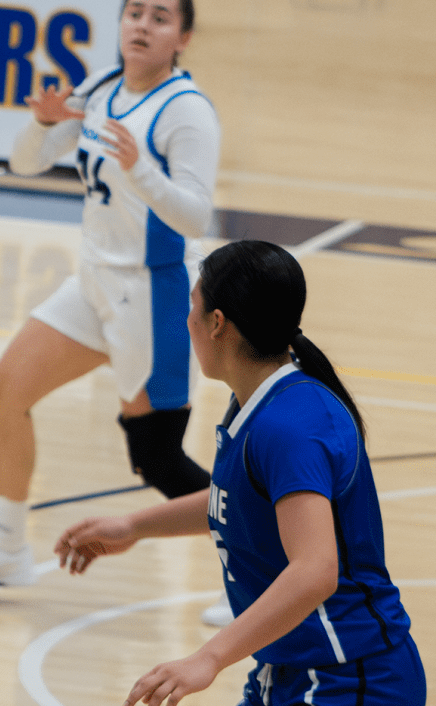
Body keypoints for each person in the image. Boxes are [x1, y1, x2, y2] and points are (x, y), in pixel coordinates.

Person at [0, 0, 220, 592]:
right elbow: (28, 161)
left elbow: (195, 217)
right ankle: (6, 546)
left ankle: (264, 569)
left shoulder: (185, 111)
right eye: (135, 12)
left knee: (157, 459)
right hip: (93, 283)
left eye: (160, 18)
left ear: (182, 38)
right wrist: (41, 122)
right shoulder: (102, 89)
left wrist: (143, 170)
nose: (142, 25)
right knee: (5, 393)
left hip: (154, 296)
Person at [55, 240, 426, 706]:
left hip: (349, 679)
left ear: (216, 324)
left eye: (192, 305)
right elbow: (237, 500)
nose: (185, 319)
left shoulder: (290, 426)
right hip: (289, 669)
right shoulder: (258, 402)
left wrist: (208, 657)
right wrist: (135, 526)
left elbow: (316, 571)